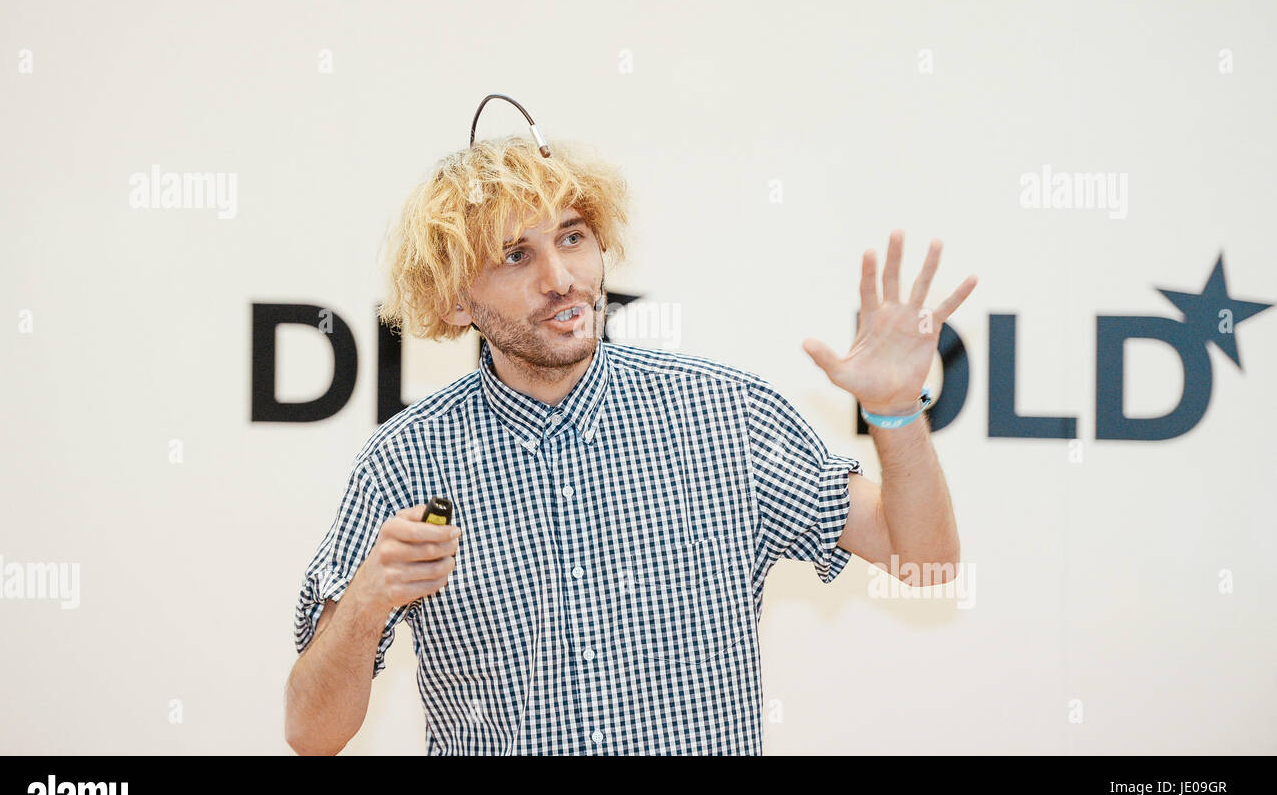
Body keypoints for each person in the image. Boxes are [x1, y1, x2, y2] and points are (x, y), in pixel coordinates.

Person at [284, 135, 977, 755]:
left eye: (573, 237)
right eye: (516, 254)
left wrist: (893, 414)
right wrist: (369, 599)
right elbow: (311, 734)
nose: (560, 278)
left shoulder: (724, 415)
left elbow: (925, 566)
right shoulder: (404, 461)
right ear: (457, 300)